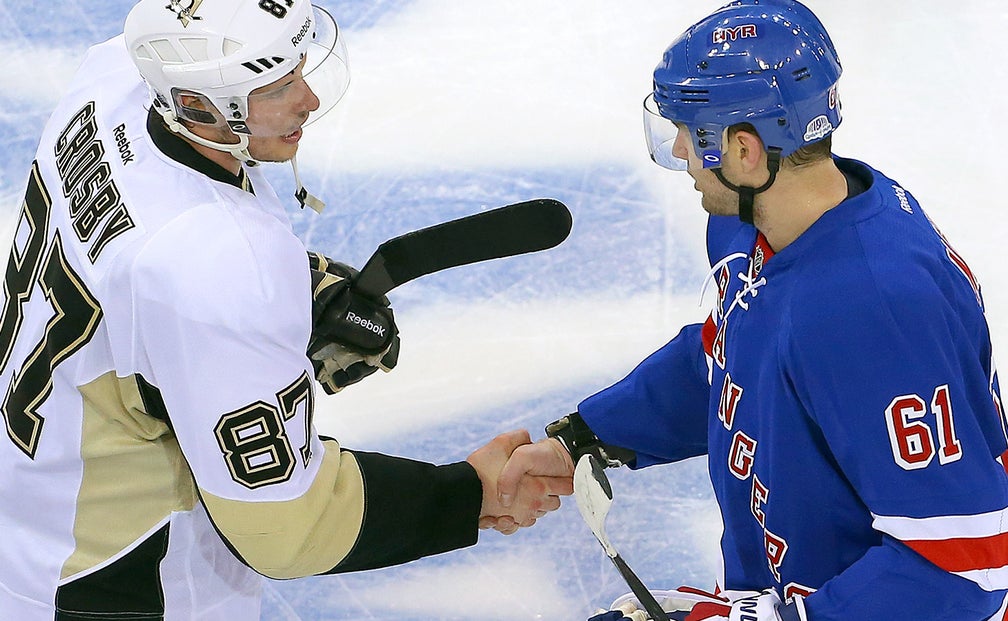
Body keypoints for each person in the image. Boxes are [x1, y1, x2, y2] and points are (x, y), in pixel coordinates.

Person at [0, 0, 568, 618]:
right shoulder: (217, 267)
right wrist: (466, 494)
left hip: (30, 508)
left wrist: (291, 295)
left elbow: (135, 260)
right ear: (197, 105)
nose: (309, 100)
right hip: (117, 586)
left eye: (299, 67)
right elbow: (289, 528)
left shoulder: (117, 77)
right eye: (276, 86)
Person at [497, 1, 1008, 619]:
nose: (681, 148)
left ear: (745, 151)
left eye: (691, 129)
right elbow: (732, 354)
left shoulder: (876, 308)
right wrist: (589, 438)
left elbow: (961, 563)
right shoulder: (759, 226)